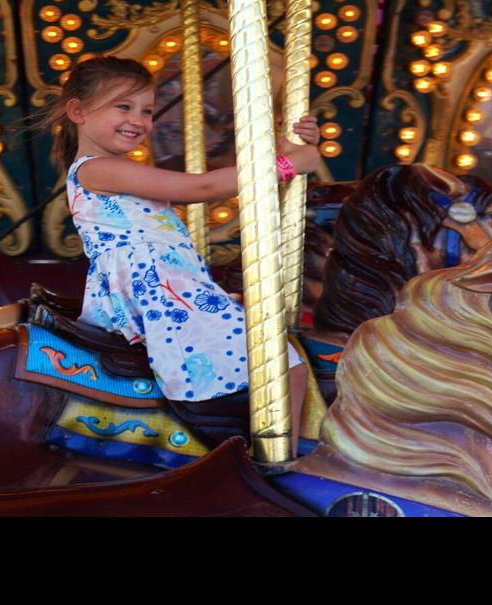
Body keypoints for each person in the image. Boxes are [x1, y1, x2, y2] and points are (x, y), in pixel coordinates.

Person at [37, 56, 320, 449]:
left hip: (167, 286)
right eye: (123, 106)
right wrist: (288, 164)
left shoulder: (111, 168)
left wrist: (289, 143)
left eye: (147, 110)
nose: (138, 119)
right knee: (282, 363)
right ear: (77, 111)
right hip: (157, 292)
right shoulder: (95, 169)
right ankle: (273, 463)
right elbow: (200, 188)